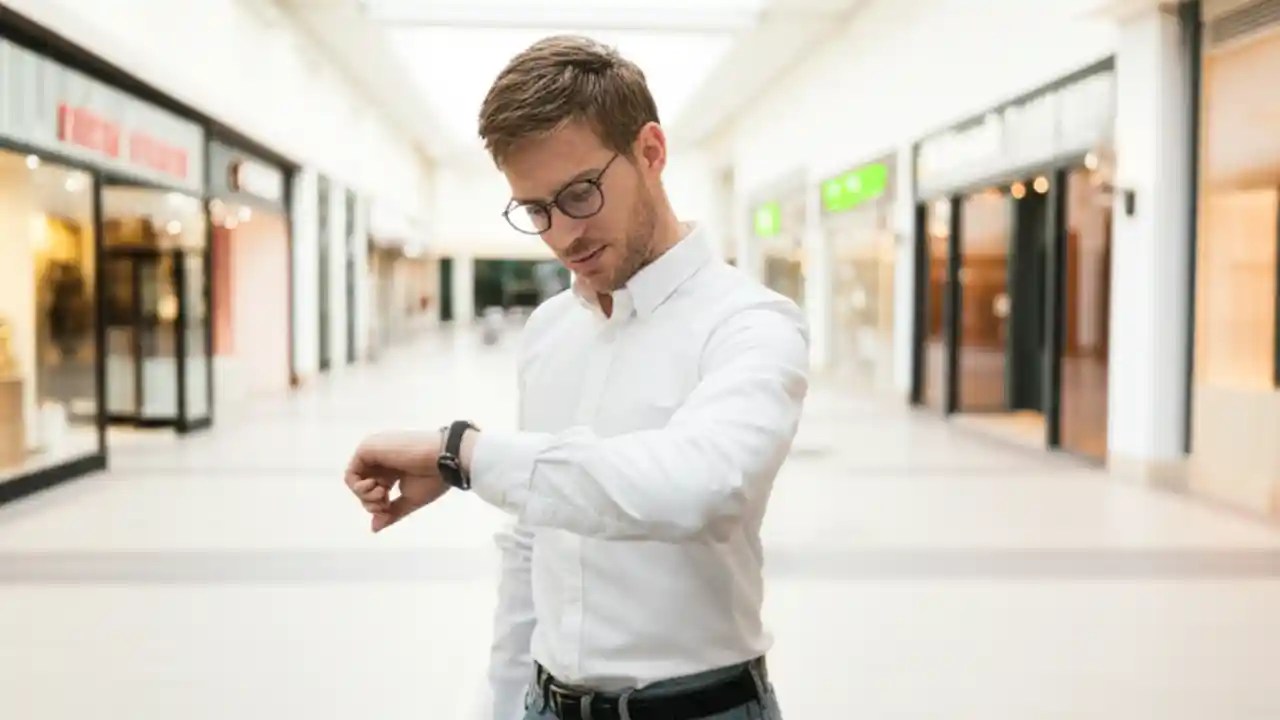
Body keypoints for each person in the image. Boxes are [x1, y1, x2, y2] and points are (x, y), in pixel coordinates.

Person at [343, 35, 809, 720]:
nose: (561, 235)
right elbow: (532, 541)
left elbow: (701, 485)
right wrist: (504, 705)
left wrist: (463, 453)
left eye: (580, 194)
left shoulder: (751, 323)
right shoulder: (550, 332)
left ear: (651, 152)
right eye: (536, 211)